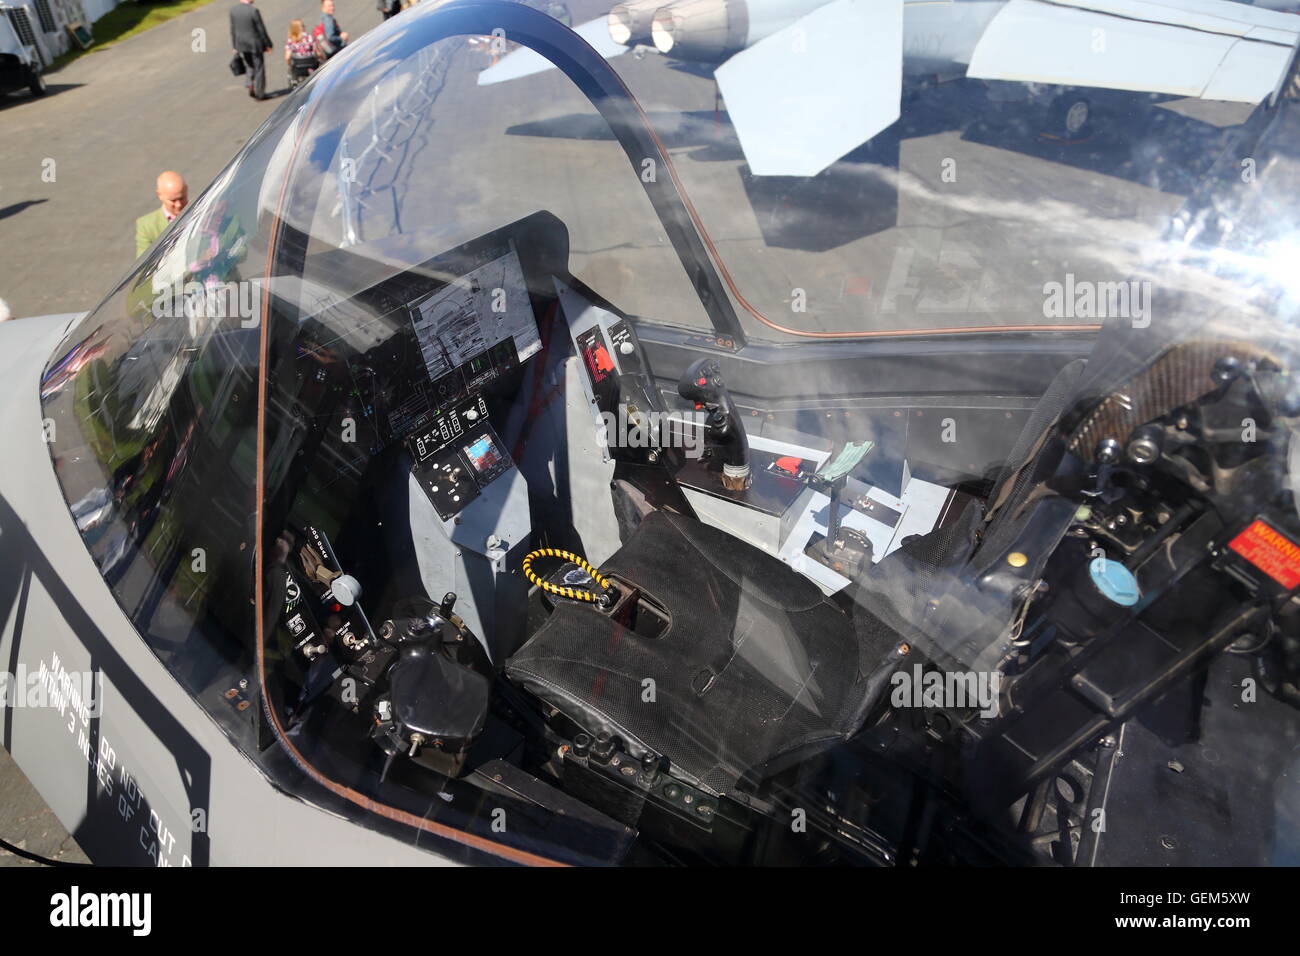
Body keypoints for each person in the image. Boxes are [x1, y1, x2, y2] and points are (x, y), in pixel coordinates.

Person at [134, 171, 188, 257]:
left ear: (186, 190)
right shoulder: (146, 225)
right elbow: (143, 261)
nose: (178, 205)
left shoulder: (203, 212)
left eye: (182, 198)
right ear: (159, 195)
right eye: (173, 200)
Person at [230, 0, 273, 100]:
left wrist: (234, 46)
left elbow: (233, 29)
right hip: (255, 44)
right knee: (259, 68)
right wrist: (268, 44)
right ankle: (260, 93)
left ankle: (250, 83)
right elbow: (261, 29)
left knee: (249, 64)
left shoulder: (233, 10)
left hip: (241, 44)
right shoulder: (253, 11)